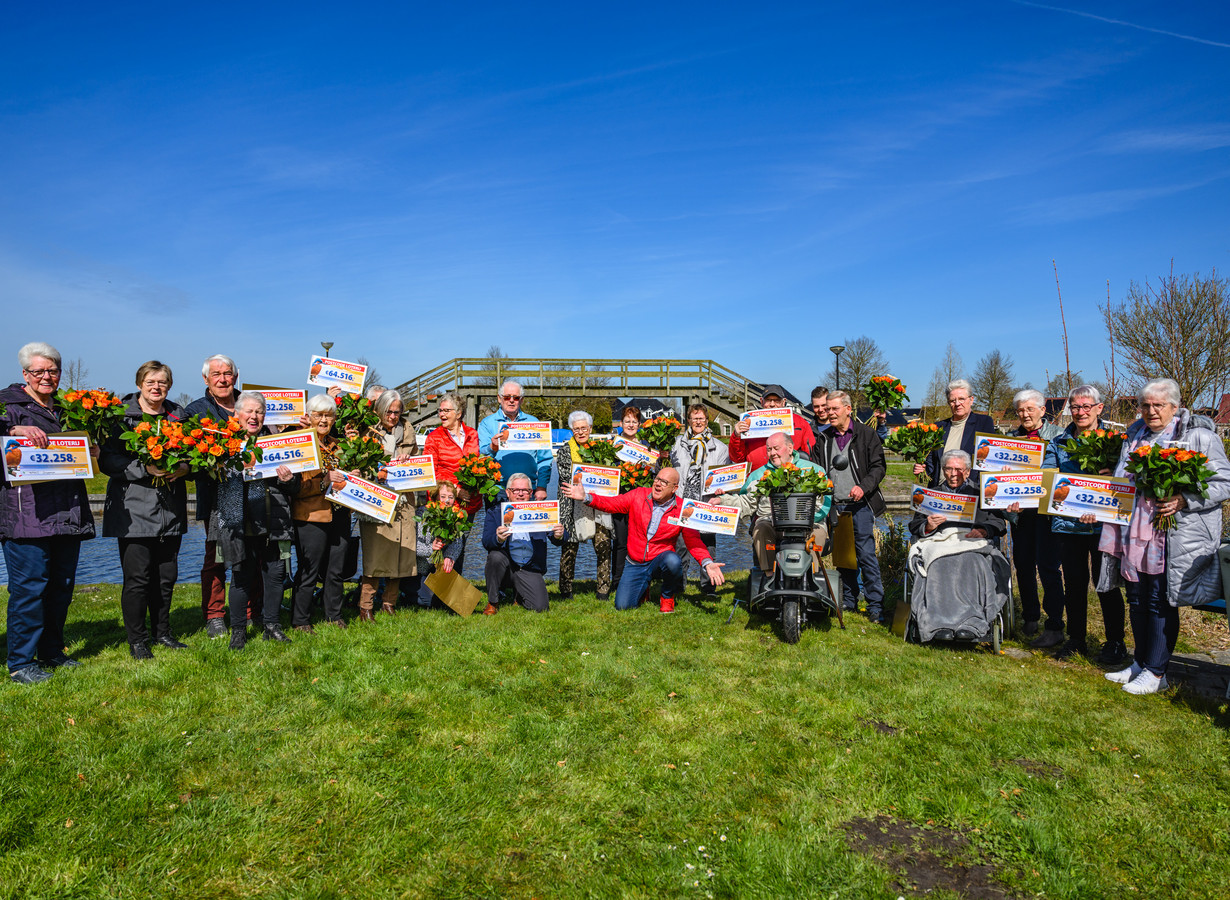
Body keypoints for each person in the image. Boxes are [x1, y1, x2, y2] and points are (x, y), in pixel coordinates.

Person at [1101, 379, 1230, 695]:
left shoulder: (1198, 437)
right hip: (1133, 530)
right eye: (1145, 405)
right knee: (1137, 598)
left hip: (1170, 533)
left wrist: (1184, 500)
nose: (1151, 411)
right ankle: (1140, 662)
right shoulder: (1135, 435)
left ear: (1175, 406)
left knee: (1160, 600)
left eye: (1158, 405)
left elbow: (1224, 483)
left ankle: (1157, 672)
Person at [1, 342, 96, 684]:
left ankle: (52, 652)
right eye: (38, 371)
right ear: (25, 374)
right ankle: (21, 662)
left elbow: (80, 447)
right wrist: (12, 431)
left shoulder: (70, 409)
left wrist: (91, 445)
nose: (46, 377)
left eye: (52, 370)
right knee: (29, 588)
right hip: (27, 515)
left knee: (61, 586)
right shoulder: (6, 406)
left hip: (68, 511)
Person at [100, 361, 191, 659]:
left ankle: (162, 633)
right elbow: (107, 461)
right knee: (138, 578)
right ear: (139, 383)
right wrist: (143, 468)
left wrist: (184, 467)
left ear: (169, 385)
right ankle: (137, 640)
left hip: (171, 510)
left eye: (162, 382)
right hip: (133, 510)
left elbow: (195, 453)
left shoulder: (178, 416)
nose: (156, 387)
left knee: (167, 576)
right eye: (151, 381)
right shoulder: (121, 418)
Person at [1042, 385, 1128, 663]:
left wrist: (1114, 472)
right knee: (1075, 584)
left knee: (1106, 584)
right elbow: (1047, 475)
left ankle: (1115, 642)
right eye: (1075, 407)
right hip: (1069, 525)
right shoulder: (1059, 442)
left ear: (1099, 408)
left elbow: (1128, 481)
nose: (1080, 412)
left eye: (1085, 407)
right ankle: (1076, 639)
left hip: (1105, 526)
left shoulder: (1117, 442)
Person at [563, 467, 725, 613]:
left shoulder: (683, 509)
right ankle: (644, 587)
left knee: (674, 561)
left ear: (674, 488)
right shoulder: (638, 495)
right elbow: (613, 503)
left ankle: (667, 596)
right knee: (623, 606)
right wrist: (586, 498)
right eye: (657, 479)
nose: (658, 484)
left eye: (664, 482)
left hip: (660, 559)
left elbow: (693, 540)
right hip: (635, 561)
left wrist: (706, 562)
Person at [209, 391, 299, 649]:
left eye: (259, 412)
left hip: (274, 521)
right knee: (241, 575)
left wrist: (288, 479)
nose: (254, 416)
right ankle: (238, 630)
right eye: (248, 411)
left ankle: (272, 625)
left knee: (275, 574)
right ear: (236, 415)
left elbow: (295, 488)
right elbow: (209, 480)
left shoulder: (277, 444)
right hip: (239, 520)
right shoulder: (223, 445)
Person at [811, 390, 888, 623]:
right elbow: (816, 467)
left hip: (860, 504)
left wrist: (863, 487)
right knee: (844, 556)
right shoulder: (824, 438)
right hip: (835, 505)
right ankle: (849, 599)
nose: (829, 413)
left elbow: (878, 467)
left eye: (834, 409)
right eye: (827, 408)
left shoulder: (867, 435)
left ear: (848, 409)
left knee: (865, 554)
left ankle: (875, 604)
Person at [183, 353, 243, 638]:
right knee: (217, 556)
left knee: (252, 555)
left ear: (236, 376)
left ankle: (250, 609)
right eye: (216, 374)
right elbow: (186, 455)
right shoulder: (195, 411)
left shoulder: (250, 404)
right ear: (206, 379)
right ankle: (215, 615)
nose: (222, 379)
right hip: (217, 497)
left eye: (227, 373)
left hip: (252, 494)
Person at [717, 432, 830, 573]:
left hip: (809, 524)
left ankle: (811, 576)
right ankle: (769, 577)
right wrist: (722, 500)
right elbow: (746, 503)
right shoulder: (758, 475)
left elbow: (825, 503)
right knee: (761, 528)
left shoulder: (813, 470)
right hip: (772, 523)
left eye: (776, 448)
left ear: (790, 448)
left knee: (818, 533)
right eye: (769, 449)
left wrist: (806, 520)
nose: (772, 453)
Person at [1005, 389, 1066, 645]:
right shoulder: (1009, 439)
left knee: (1049, 568)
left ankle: (1054, 624)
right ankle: (1030, 616)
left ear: (1042, 410)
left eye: (1030, 409)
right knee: (1024, 565)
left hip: (1046, 513)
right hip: (1021, 514)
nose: (1025, 414)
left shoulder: (1058, 436)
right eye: (1020, 410)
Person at [288, 393, 351, 634]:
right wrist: (324, 481)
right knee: (309, 569)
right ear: (309, 417)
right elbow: (297, 488)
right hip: (311, 515)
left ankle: (334, 614)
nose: (324, 420)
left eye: (329, 415)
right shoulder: (301, 444)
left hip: (340, 514)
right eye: (318, 415)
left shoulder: (338, 445)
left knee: (336, 569)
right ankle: (300, 619)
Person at [356, 388, 418, 621]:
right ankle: (365, 606)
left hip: (404, 500)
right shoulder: (368, 432)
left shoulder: (409, 430)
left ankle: (390, 603)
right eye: (389, 411)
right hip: (377, 500)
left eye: (397, 411)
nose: (393, 416)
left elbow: (418, 462)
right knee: (376, 554)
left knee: (402, 551)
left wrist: (409, 460)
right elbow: (361, 464)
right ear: (380, 410)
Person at [482, 474, 567, 613]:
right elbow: (486, 541)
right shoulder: (495, 512)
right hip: (506, 565)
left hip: (528, 566)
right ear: (508, 492)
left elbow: (559, 539)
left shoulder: (542, 511)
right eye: (515, 490)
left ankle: (520, 595)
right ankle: (493, 601)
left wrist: (560, 534)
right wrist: (498, 539)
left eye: (525, 490)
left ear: (531, 493)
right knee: (495, 557)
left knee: (540, 607)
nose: (520, 494)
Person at [671, 404, 730, 594]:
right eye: (694, 418)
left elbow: (725, 476)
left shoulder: (720, 448)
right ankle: (679, 586)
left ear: (707, 421)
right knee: (681, 546)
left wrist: (723, 489)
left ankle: (708, 586)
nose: (698, 422)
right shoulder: (676, 444)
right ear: (688, 420)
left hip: (706, 501)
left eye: (702, 419)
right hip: (682, 500)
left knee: (707, 544)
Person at [556, 410, 613, 600]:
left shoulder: (600, 449)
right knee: (569, 547)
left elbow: (610, 475)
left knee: (603, 544)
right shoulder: (564, 451)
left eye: (584, 428)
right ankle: (565, 590)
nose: (581, 432)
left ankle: (603, 589)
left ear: (590, 428)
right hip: (570, 504)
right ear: (572, 430)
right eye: (576, 429)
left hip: (597, 502)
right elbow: (567, 477)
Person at [908, 450, 1005, 541]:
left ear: (968, 472)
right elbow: (914, 525)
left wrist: (984, 531)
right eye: (949, 469)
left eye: (959, 469)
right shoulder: (929, 495)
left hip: (973, 543)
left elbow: (999, 523)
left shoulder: (982, 494)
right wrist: (928, 526)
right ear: (943, 470)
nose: (953, 474)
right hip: (939, 543)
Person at [915, 380, 997, 488]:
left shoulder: (983, 423)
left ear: (971, 400)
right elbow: (932, 464)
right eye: (953, 400)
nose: (957, 404)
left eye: (961, 399)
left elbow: (990, 459)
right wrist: (922, 468)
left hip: (969, 493)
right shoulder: (938, 427)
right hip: (940, 492)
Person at [477, 380, 552, 498]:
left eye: (516, 398)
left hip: (528, 491)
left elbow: (545, 459)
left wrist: (542, 486)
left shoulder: (534, 423)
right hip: (497, 490)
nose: (511, 400)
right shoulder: (486, 424)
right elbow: (481, 456)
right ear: (499, 398)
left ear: (521, 400)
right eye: (507, 397)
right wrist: (492, 448)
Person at [728, 385, 815, 471]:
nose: (772, 404)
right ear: (761, 401)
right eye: (768, 400)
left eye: (777, 401)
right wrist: (737, 435)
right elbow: (737, 458)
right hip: (758, 478)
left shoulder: (799, 423)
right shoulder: (749, 423)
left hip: (789, 477)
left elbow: (808, 456)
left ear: (783, 402)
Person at [423, 393, 481, 517]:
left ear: (458, 413)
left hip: (469, 502)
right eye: (440, 410)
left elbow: (476, 464)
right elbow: (430, 472)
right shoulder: (434, 437)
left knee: (465, 536)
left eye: (446, 410)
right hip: (445, 503)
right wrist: (454, 489)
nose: (441, 414)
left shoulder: (472, 434)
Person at [414, 482, 469, 608]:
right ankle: (408, 593)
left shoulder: (454, 516)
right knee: (429, 602)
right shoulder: (422, 514)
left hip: (439, 568)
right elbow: (412, 546)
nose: (447, 501)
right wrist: (430, 548)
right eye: (443, 496)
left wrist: (450, 556)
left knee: (462, 603)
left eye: (450, 497)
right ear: (435, 497)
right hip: (420, 569)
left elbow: (457, 542)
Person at [610, 405, 643, 595]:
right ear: (621, 424)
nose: (631, 425)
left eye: (634, 421)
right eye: (627, 421)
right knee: (621, 541)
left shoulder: (646, 445)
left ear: (639, 424)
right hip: (621, 498)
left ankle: (638, 580)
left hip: (640, 499)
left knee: (638, 540)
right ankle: (618, 581)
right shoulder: (614, 444)